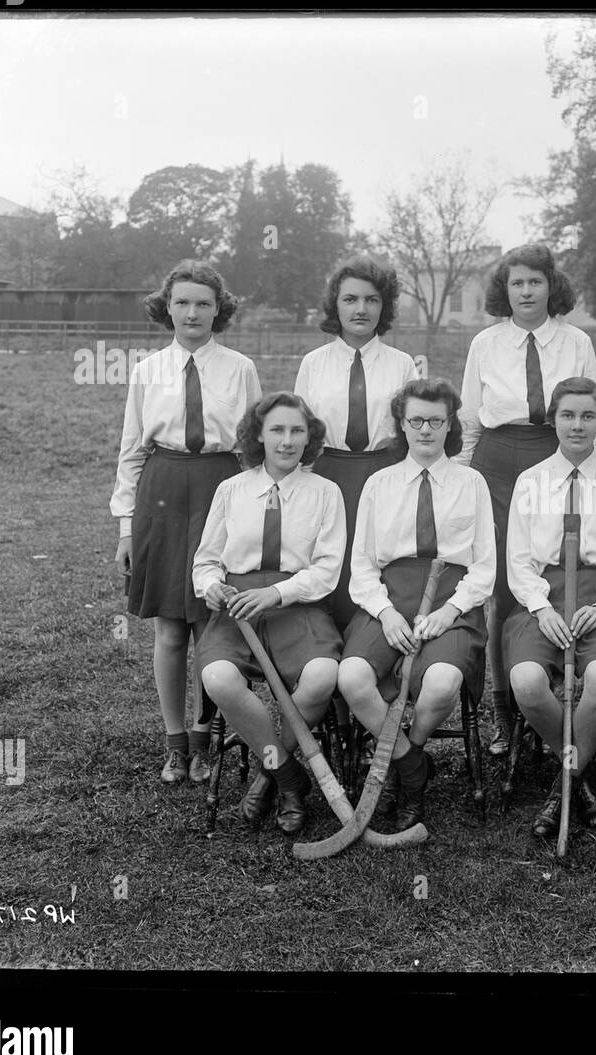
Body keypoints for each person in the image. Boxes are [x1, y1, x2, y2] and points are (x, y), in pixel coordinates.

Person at [112, 260, 260, 784]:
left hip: (221, 486)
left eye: (203, 303)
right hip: (163, 490)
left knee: (210, 622)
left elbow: (253, 450)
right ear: (166, 307)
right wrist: (127, 528)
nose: (192, 312)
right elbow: (131, 451)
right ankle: (175, 743)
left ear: (218, 309)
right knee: (171, 627)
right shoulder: (147, 369)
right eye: (182, 302)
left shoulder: (239, 367)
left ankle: (205, 740)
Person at [456, 243, 596, 756]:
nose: (525, 291)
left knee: (554, 573)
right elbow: (471, 420)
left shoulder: (576, 340)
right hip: (497, 462)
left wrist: (595, 476)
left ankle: (559, 694)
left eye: (535, 282)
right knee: (501, 588)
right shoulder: (486, 343)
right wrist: (466, 483)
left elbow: (591, 416)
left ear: (550, 286)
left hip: (558, 454)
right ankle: (503, 709)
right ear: (505, 289)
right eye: (516, 283)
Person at [339, 378, 495, 832]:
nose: (426, 429)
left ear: (450, 426)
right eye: (416, 420)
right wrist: (385, 613)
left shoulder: (472, 482)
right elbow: (363, 566)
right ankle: (410, 767)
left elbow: (484, 567)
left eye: (436, 421)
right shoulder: (379, 483)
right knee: (351, 676)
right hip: (389, 599)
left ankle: (407, 752)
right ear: (402, 425)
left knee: (443, 682)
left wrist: (451, 611)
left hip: (452, 599)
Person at [193, 393, 346, 834]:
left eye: (297, 430)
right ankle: (290, 776)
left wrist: (277, 593)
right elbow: (206, 560)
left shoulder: (325, 492)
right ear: (258, 435)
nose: (287, 440)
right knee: (218, 677)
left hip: (297, 604)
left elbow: (327, 570)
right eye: (277, 430)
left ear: (310, 437)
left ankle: (268, 775)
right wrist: (212, 587)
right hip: (238, 607)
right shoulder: (232, 490)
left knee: (321, 676)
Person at [504, 378, 596, 837]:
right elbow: (519, 562)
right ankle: (580, 771)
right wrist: (542, 608)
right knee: (526, 682)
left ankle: (565, 783)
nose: (577, 425)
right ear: (554, 421)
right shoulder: (531, 481)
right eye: (568, 415)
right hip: (541, 596)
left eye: (587, 416)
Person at [295, 255, 418, 630]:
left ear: (385, 306)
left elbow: (413, 428)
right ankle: (332, 670)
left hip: (385, 473)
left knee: (381, 564)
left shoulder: (402, 364)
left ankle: (376, 659)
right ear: (335, 303)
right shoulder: (314, 363)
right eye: (350, 299)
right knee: (335, 564)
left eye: (371, 299)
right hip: (330, 473)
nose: (361, 309)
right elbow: (301, 434)